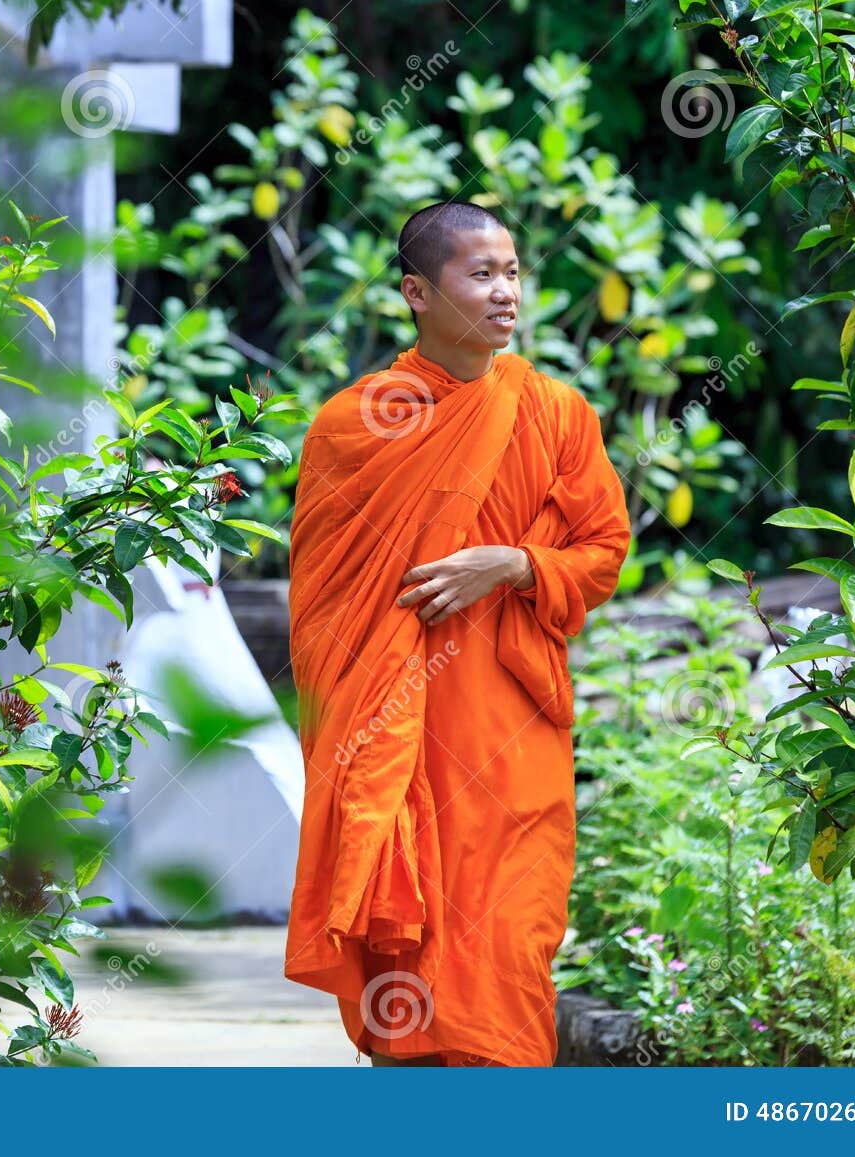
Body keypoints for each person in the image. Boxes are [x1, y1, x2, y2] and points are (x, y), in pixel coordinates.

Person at [282, 200, 632, 1067]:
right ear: (417, 293)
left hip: (512, 735)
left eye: (512, 272)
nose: (506, 291)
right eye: (481, 274)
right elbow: (322, 608)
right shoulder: (355, 424)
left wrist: (515, 564)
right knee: (410, 945)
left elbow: (603, 550)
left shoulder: (556, 414)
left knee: (511, 940)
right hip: (398, 735)